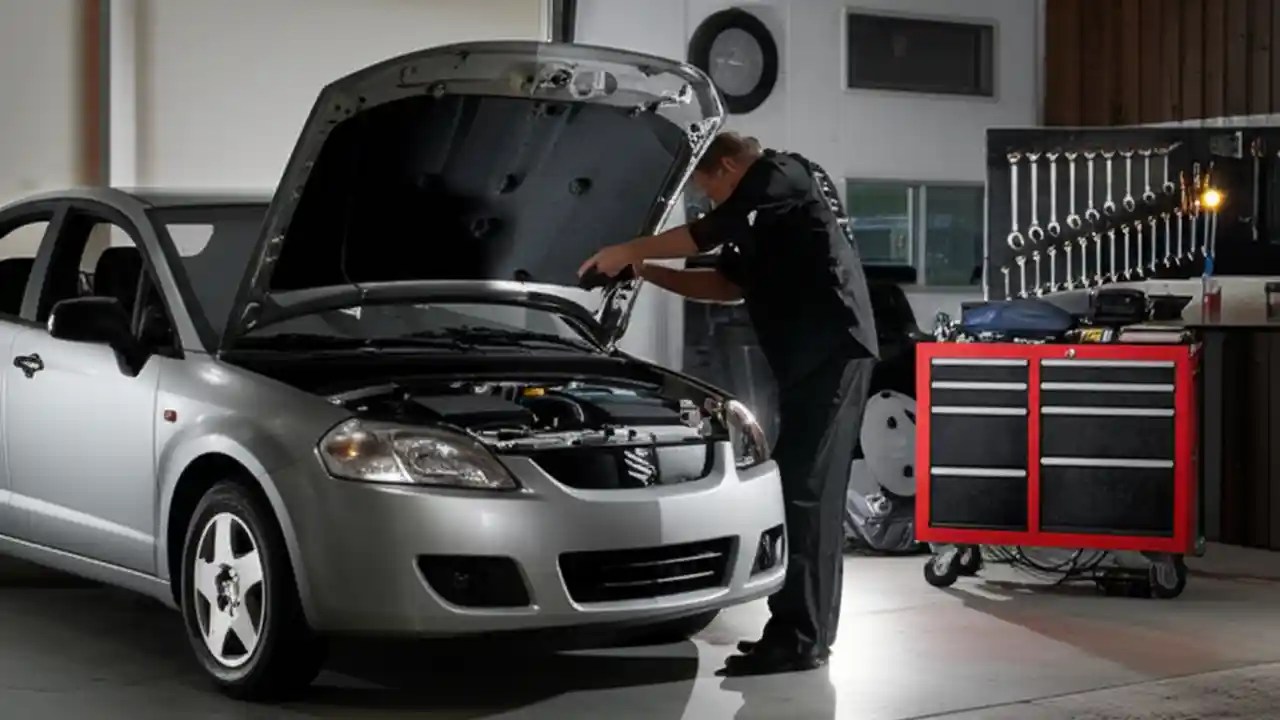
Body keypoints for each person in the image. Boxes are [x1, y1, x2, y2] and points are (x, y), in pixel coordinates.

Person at [578, 132, 879, 675]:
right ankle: (803, 633)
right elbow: (725, 284)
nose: (711, 201)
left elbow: (705, 234)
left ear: (729, 164)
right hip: (813, 360)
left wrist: (631, 248)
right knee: (805, 491)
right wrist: (646, 272)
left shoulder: (783, 173)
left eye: (710, 188)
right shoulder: (761, 215)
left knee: (805, 492)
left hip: (833, 351)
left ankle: (798, 637)